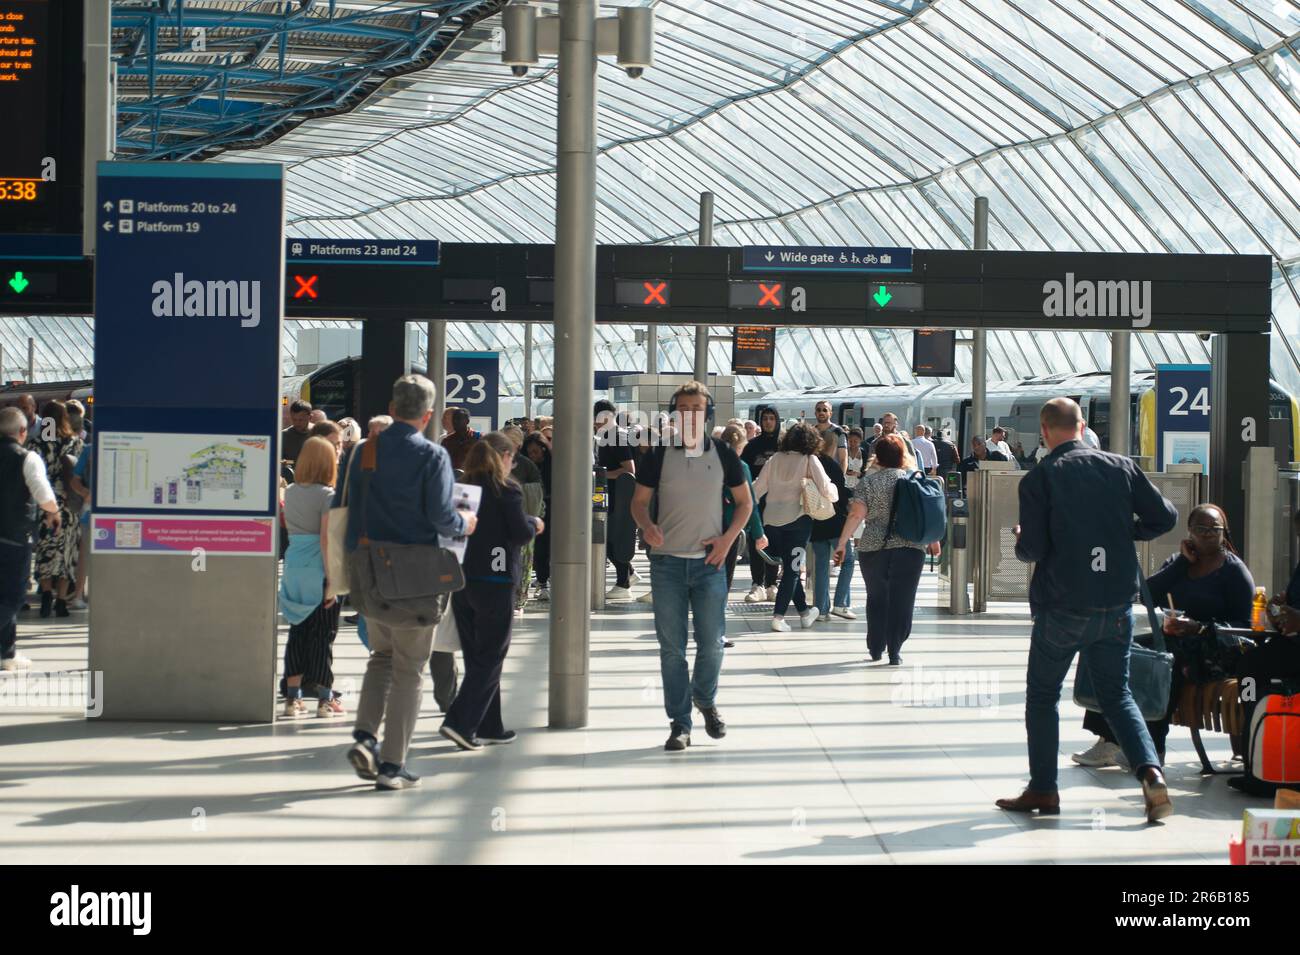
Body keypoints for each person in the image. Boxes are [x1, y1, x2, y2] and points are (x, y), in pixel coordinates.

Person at [997, 397, 1178, 823]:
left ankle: (1044, 789)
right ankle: (1150, 772)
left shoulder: (1039, 478)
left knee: (1042, 697)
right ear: (1082, 427)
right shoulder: (1121, 466)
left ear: (1044, 431)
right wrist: (1123, 531)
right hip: (1115, 607)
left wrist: (1023, 538)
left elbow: (1034, 549)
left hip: (1062, 606)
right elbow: (1166, 517)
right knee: (1116, 695)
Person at [344, 375, 478, 791]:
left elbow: (344, 509)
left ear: (392, 405)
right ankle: (392, 764)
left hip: (368, 573)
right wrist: (466, 522)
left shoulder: (364, 452)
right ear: (428, 414)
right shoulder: (432, 456)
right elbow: (442, 518)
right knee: (410, 669)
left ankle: (366, 735)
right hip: (415, 578)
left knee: (381, 658)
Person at [1073, 503, 1255, 768]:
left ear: (1223, 532)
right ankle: (1108, 738)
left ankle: (1153, 748)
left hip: (1215, 650)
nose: (1206, 535)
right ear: (1189, 532)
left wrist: (1199, 627)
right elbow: (1148, 593)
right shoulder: (1178, 563)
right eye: (1200, 529)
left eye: (1213, 530)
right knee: (1118, 650)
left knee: (1165, 664)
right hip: (1175, 640)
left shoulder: (1233, 571)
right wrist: (1182, 562)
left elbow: (1244, 625)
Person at [631, 380, 752, 752]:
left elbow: (745, 504)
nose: (689, 415)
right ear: (674, 413)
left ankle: (705, 699)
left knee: (713, 644)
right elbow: (639, 502)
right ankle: (680, 723)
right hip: (667, 564)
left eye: (696, 409)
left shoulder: (724, 454)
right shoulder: (658, 456)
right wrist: (647, 525)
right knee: (672, 649)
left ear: (707, 414)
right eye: (682, 409)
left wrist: (727, 539)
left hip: (709, 565)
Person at [439, 432, 542, 751]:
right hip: (496, 583)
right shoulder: (506, 489)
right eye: (511, 456)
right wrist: (534, 522)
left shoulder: (462, 490)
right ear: (504, 457)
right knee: (492, 654)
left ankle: (490, 724)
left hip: (463, 581)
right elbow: (519, 533)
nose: (513, 462)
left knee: (476, 656)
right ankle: (460, 722)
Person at [834, 433, 925, 664]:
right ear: (903, 455)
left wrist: (842, 542)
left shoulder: (868, 482)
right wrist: (933, 540)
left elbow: (856, 515)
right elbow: (926, 513)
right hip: (910, 547)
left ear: (877, 457)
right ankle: (895, 649)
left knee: (877, 598)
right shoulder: (915, 478)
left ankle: (876, 647)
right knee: (903, 599)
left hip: (874, 547)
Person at [279, 437, 343, 719]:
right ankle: (324, 700)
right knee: (322, 635)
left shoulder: (290, 492)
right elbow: (328, 539)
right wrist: (333, 580)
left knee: (298, 631)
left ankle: (292, 699)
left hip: (294, 564)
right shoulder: (329, 496)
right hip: (319, 565)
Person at [752, 421, 834, 632]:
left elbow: (757, 489)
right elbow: (826, 488)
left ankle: (805, 614)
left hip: (771, 521)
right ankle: (778, 617)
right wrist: (834, 493)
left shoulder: (774, 459)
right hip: (798, 522)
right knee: (793, 570)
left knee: (789, 567)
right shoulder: (809, 459)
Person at [0, 407, 59, 671]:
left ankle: (7, 653)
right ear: (22, 432)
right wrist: (53, 512)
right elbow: (43, 495)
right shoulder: (27, 458)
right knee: (11, 597)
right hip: (13, 538)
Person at [30, 401, 83, 618]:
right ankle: (61, 600)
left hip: (46, 506)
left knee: (46, 550)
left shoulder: (39, 444)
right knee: (66, 552)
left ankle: (45, 596)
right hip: (69, 505)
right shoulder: (74, 443)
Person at [594, 399, 638, 600]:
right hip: (610, 495)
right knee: (608, 537)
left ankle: (624, 581)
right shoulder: (607, 436)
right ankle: (627, 572)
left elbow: (629, 470)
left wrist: (601, 475)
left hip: (617, 496)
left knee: (612, 538)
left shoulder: (616, 437)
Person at [718, 424, 768, 599]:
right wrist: (759, 533)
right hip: (731, 526)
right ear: (741, 445)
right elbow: (749, 503)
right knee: (725, 573)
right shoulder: (740, 466)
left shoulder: (708, 463)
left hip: (706, 524)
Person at [811, 432, 855, 621]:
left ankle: (821, 609)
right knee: (848, 560)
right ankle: (841, 604)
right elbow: (841, 494)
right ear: (832, 446)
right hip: (835, 521)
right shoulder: (832, 465)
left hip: (815, 521)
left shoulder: (810, 464)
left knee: (820, 564)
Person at [740, 405, 782, 602]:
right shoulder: (752, 446)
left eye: (771, 419)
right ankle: (757, 583)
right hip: (757, 502)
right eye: (765, 418)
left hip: (778, 503)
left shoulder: (784, 445)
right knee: (756, 541)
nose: (768, 422)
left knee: (774, 542)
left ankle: (772, 583)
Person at [505, 426, 544, 616]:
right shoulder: (527, 465)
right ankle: (516, 599)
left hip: (521, 520)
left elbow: (535, 497)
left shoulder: (526, 466)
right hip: (519, 521)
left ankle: (519, 599)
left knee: (523, 561)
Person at [522, 433, 552, 601]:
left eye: (536, 451)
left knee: (543, 547)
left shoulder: (552, 464)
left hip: (549, 509)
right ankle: (539, 580)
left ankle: (542, 581)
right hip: (530, 509)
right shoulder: (526, 466)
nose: (534, 455)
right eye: (530, 452)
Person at [812, 400, 848, 471]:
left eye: (825, 410)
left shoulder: (838, 432)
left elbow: (843, 459)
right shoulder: (811, 432)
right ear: (815, 413)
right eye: (818, 410)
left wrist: (840, 478)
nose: (821, 412)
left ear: (830, 413)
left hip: (832, 474)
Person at [282, 400, 312, 469]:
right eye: (294, 420)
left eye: (301, 420)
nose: (297, 423)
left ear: (310, 417)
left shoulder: (319, 433)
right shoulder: (284, 436)